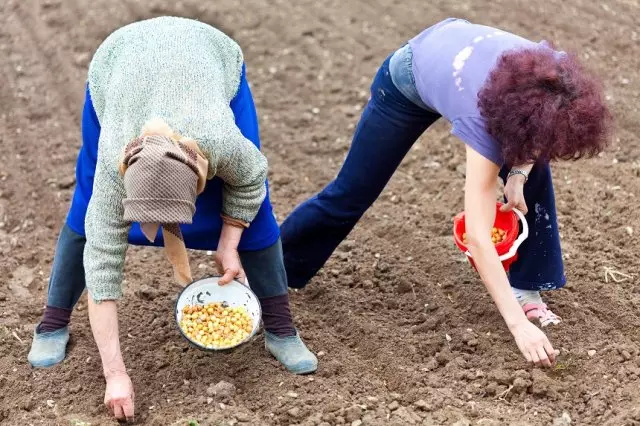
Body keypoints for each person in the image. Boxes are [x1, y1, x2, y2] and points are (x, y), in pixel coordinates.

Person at [28, 16, 317, 422]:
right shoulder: (115, 169)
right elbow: (104, 264)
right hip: (119, 63)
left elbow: (252, 179)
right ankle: (53, 321)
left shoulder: (220, 138)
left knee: (258, 216)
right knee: (85, 212)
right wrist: (115, 375)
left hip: (207, 56)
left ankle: (281, 327)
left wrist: (229, 241)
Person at [280, 18, 611, 368]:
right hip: (409, 78)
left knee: (535, 176)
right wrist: (518, 327)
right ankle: (273, 269)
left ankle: (525, 286)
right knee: (350, 193)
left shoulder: (558, 79)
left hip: (466, 66)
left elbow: (540, 134)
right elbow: (478, 237)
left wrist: (518, 172)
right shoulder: (481, 122)